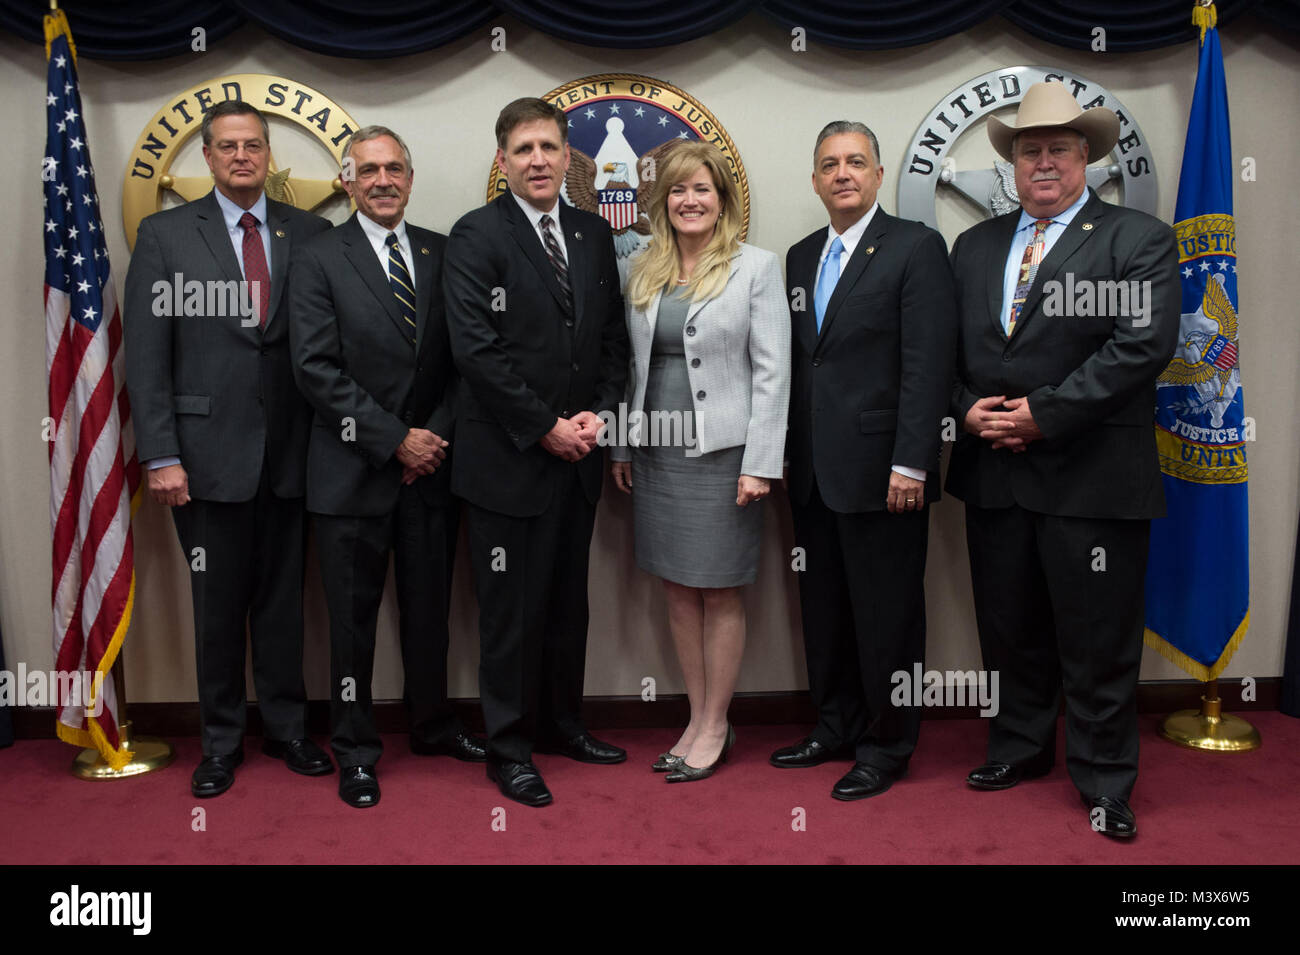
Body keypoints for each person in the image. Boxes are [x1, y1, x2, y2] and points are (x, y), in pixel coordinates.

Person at [947, 81, 1179, 838]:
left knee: (1098, 641)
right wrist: (962, 407)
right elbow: (939, 352)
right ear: (1013, 165)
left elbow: (1142, 348)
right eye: (1029, 151)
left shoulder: (1138, 240)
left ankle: (1108, 779)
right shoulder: (973, 246)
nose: (1042, 163)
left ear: (1088, 159)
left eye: (1057, 150)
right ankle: (1019, 747)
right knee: (1010, 629)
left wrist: (1043, 416)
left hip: (1093, 481)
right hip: (996, 476)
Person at [123, 100, 332, 798]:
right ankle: (219, 741)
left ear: (268, 155)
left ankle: (286, 729)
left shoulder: (312, 232)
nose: (242, 156)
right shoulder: (164, 236)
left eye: (253, 145)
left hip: (294, 454)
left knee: (283, 604)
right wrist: (159, 454)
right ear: (206, 158)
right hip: (203, 457)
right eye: (228, 147)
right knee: (216, 608)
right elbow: (148, 359)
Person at [289, 125, 484, 809]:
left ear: (410, 175)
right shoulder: (317, 257)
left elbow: (469, 359)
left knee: (431, 614)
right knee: (351, 626)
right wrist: (394, 438)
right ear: (347, 181)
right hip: (350, 474)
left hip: (431, 471)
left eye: (394, 168)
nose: (382, 180)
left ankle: (432, 724)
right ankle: (356, 748)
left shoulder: (441, 250)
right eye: (368, 170)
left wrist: (431, 440)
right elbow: (315, 368)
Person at [443, 98, 629, 808]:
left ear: (568, 157)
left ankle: (562, 725)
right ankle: (510, 748)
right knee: (508, 614)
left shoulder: (589, 232)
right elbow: (476, 352)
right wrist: (546, 423)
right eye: (523, 149)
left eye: (549, 147)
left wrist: (599, 414)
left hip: (576, 459)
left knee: (565, 606)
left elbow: (610, 338)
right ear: (503, 161)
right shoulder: (476, 235)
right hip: (507, 462)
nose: (538, 160)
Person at [774, 122, 957, 800]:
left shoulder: (915, 247)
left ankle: (886, 744)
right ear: (816, 179)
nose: (842, 173)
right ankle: (835, 725)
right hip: (815, 474)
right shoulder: (797, 258)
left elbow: (928, 362)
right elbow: (798, 365)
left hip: (887, 473)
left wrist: (913, 461)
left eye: (856, 161)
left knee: (887, 616)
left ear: (879, 175)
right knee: (823, 611)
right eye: (829, 163)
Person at [610, 140, 789, 783]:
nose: (690, 200)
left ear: (723, 201)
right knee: (678, 588)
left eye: (702, 190)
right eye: (679, 190)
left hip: (724, 454)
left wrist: (762, 461)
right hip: (656, 451)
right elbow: (630, 368)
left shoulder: (755, 267)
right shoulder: (644, 268)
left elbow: (773, 372)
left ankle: (717, 723)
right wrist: (623, 445)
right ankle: (694, 717)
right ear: (664, 200)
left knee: (721, 589)